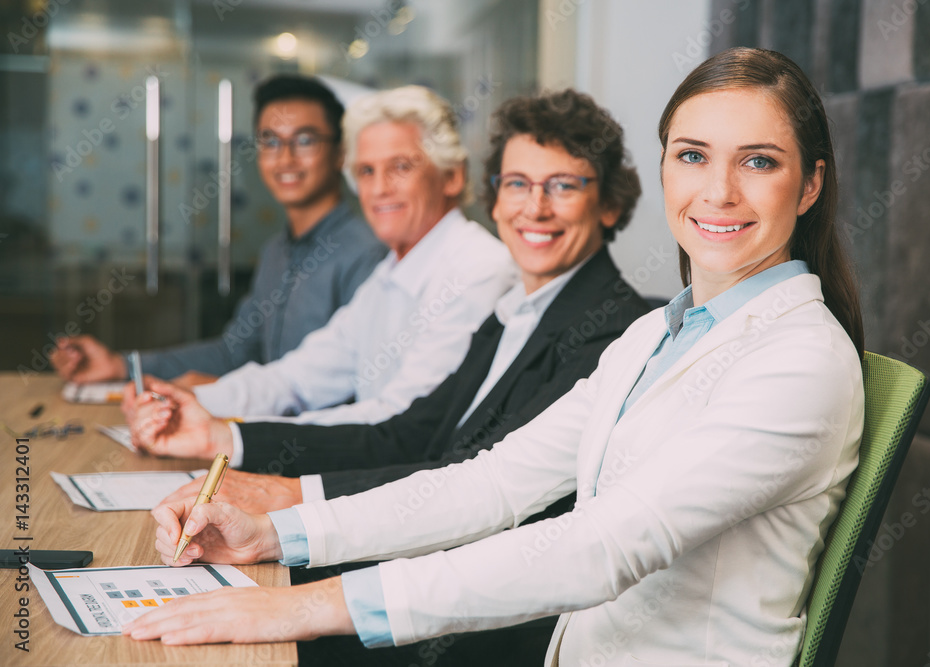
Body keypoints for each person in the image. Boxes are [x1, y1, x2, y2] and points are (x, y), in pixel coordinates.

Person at [124, 47, 866, 667]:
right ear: (667, 169)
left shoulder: (799, 361)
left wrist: (300, 606)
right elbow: (492, 481)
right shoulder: (656, 334)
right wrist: (277, 535)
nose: (718, 191)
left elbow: (599, 546)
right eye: (693, 155)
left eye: (759, 161)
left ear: (811, 185)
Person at [129, 89, 650, 505]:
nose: (534, 207)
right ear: (495, 198)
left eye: (563, 185)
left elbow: (465, 478)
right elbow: (397, 424)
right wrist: (213, 428)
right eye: (517, 184)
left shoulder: (555, 307)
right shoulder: (508, 308)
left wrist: (288, 495)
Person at [126, 86, 517, 433]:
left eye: (401, 166)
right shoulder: (388, 274)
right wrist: (185, 404)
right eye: (366, 171)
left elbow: (399, 421)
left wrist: (234, 436)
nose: (379, 189)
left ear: (452, 177)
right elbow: (296, 379)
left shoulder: (478, 270)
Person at [48, 75, 387, 388]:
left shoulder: (367, 253)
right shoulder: (277, 252)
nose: (285, 158)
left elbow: (356, 385)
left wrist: (229, 394)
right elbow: (233, 353)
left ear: (341, 153)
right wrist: (123, 366)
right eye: (270, 141)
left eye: (304, 140)